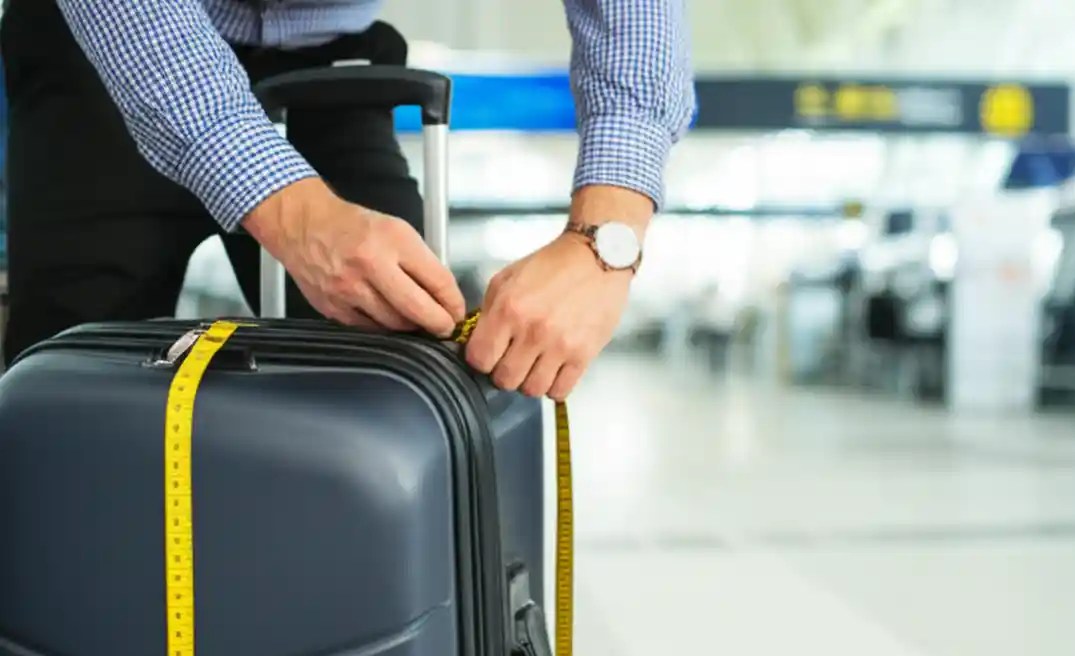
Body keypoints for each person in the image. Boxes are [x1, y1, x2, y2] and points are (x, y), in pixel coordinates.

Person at [0, 0, 695, 402]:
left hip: (331, 48)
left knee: (411, 381)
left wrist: (606, 242)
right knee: (59, 382)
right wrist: (293, 211)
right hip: (107, 48)